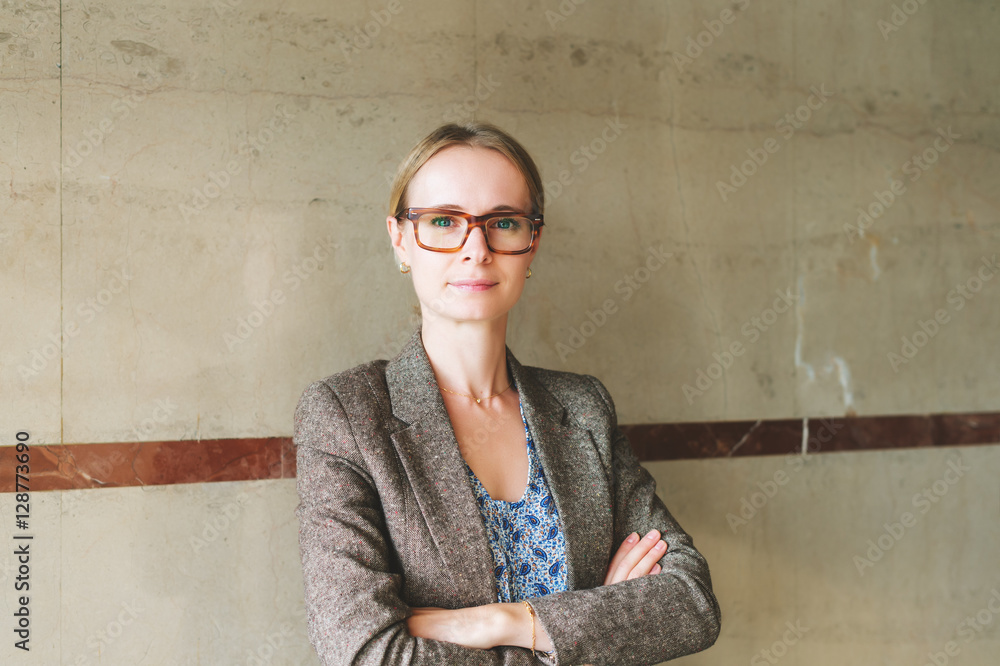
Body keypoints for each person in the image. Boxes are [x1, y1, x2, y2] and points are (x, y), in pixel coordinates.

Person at [293, 122, 721, 665]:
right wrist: (588, 627)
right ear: (400, 239)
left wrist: (504, 621)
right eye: (444, 221)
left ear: (531, 242)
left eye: (504, 223)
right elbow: (367, 652)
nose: (477, 249)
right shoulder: (347, 415)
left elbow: (690, 602)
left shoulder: (583, 406)